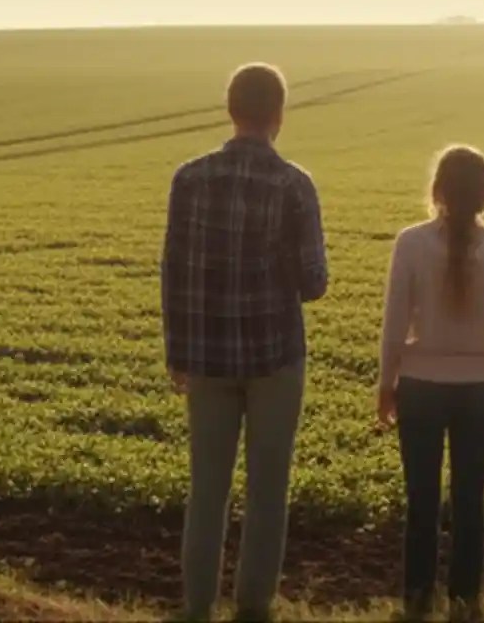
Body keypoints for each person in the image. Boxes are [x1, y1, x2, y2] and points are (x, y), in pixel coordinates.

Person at [161, 62, 328, 622]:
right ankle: (254, 606)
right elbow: (315, 284)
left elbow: (173, 271)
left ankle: (196, 606)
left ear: (231, 110)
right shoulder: (294, 184)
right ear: (279, 114)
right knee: (267, 488)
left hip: (206, 358)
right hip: (275, 357)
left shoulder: (188, 178)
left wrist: (177, 354)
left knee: (206, 488)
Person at [376, 145, 484, 623]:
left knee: (421, 499)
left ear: (437, 189)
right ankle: (465, 600)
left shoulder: (410, 243)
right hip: (479, 388)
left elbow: (395, 320)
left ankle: (417, 599)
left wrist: (386, 381)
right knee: (469, 500)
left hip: (420, 385)